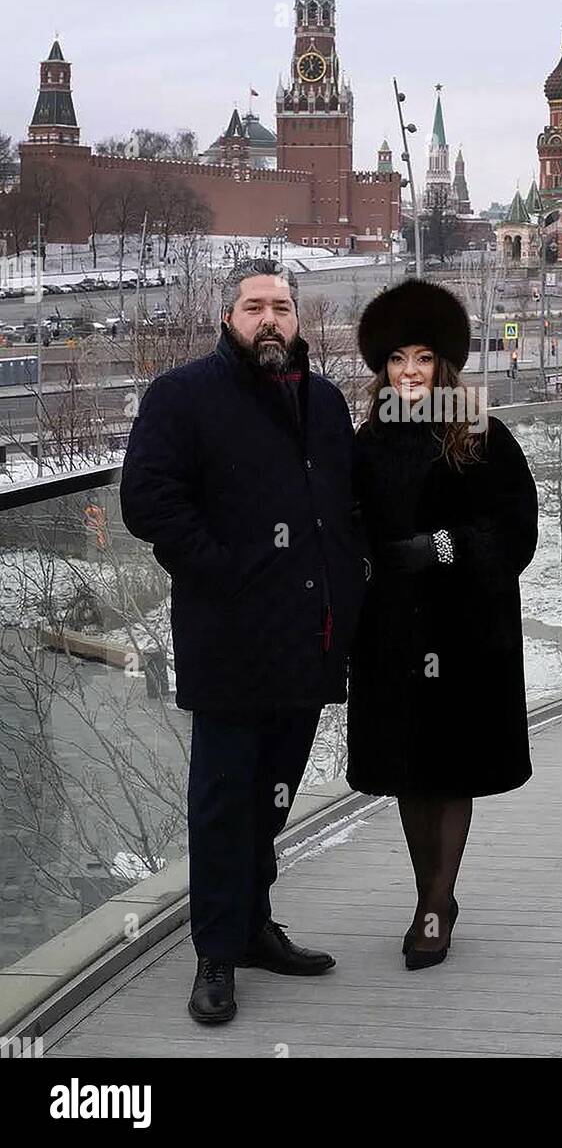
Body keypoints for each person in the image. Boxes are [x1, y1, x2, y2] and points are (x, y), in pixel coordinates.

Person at [120, 258, 367, 1025]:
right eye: (254, 306)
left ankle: (255, 928)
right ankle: (215, 957)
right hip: (229, 638)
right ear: (229, 318)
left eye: (282, 307)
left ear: (299, 321)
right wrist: (222, 570)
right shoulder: (184, 395)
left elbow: (344, 503)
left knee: (271, 797)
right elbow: (147, 499)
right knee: (224, 801)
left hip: (306, 637)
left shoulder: (322, 401)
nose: (270, 318)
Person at [347, 279, 538, 970]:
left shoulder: (482, 435)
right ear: (383, 368)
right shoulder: (366, 445)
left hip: (465, 632)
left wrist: (441, 547)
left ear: (444, 364)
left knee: (451, 770)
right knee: (408, 773)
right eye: (398, 359)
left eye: (422, 358)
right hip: (391, 634)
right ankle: (432, 893)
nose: (409, 372)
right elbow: (347, 528)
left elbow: (516, 530)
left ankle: (435, 906)